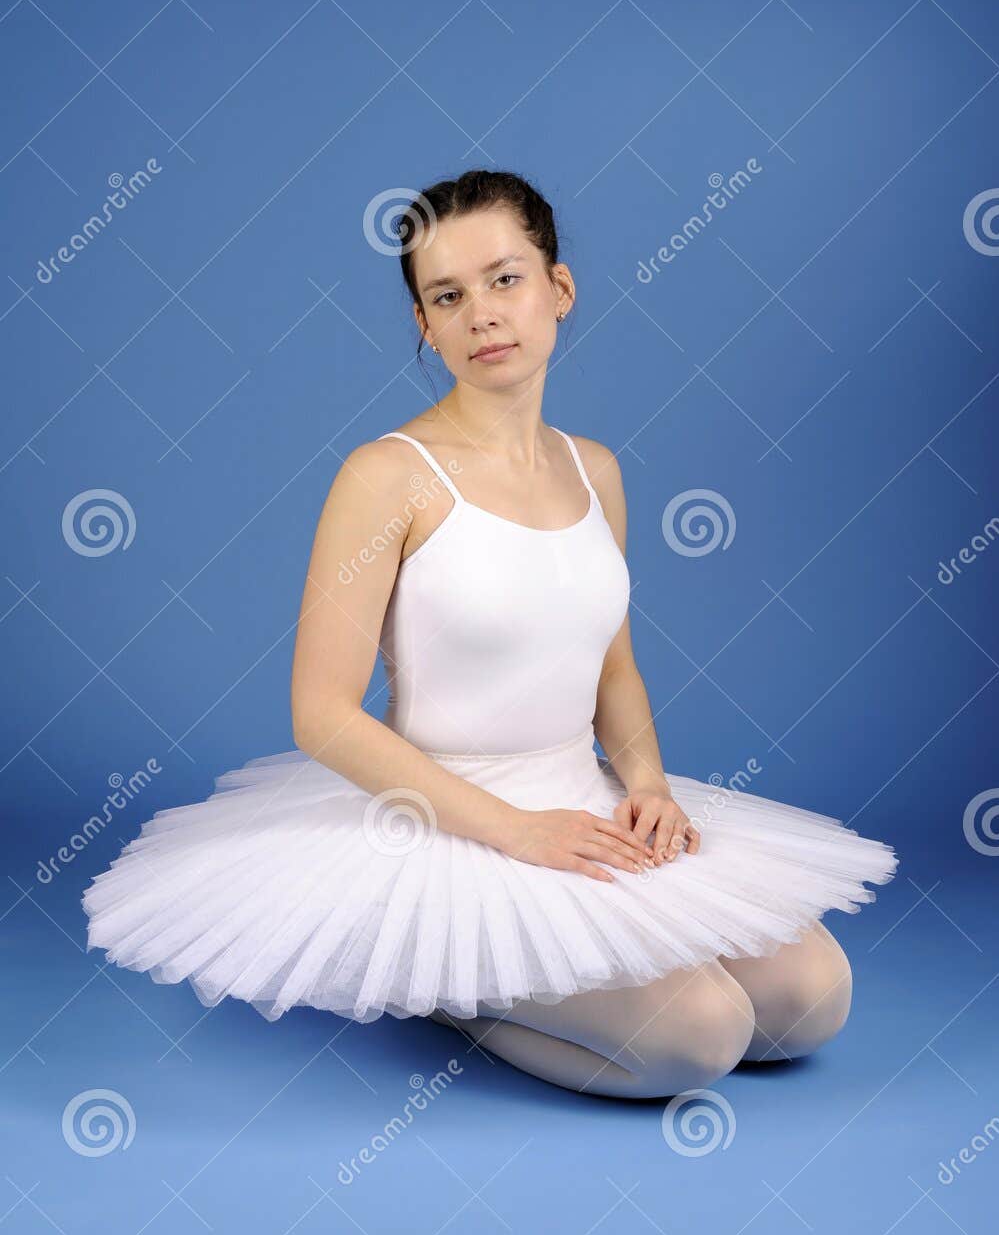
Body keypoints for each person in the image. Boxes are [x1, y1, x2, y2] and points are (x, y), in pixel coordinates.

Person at [83, 168, 897, 1100]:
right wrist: (516, 834)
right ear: (425, 326)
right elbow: (321, 714)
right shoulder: (386, 476)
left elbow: (613, 669)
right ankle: (443, 983)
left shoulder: (595, 470)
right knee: (699, 1038)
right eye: (447, 296)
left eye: (505, 279)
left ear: (558, 289)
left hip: (580, 798)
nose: (482, 314)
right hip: (451, 819)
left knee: (808, 1003)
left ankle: (517, 963)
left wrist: (646, 786)